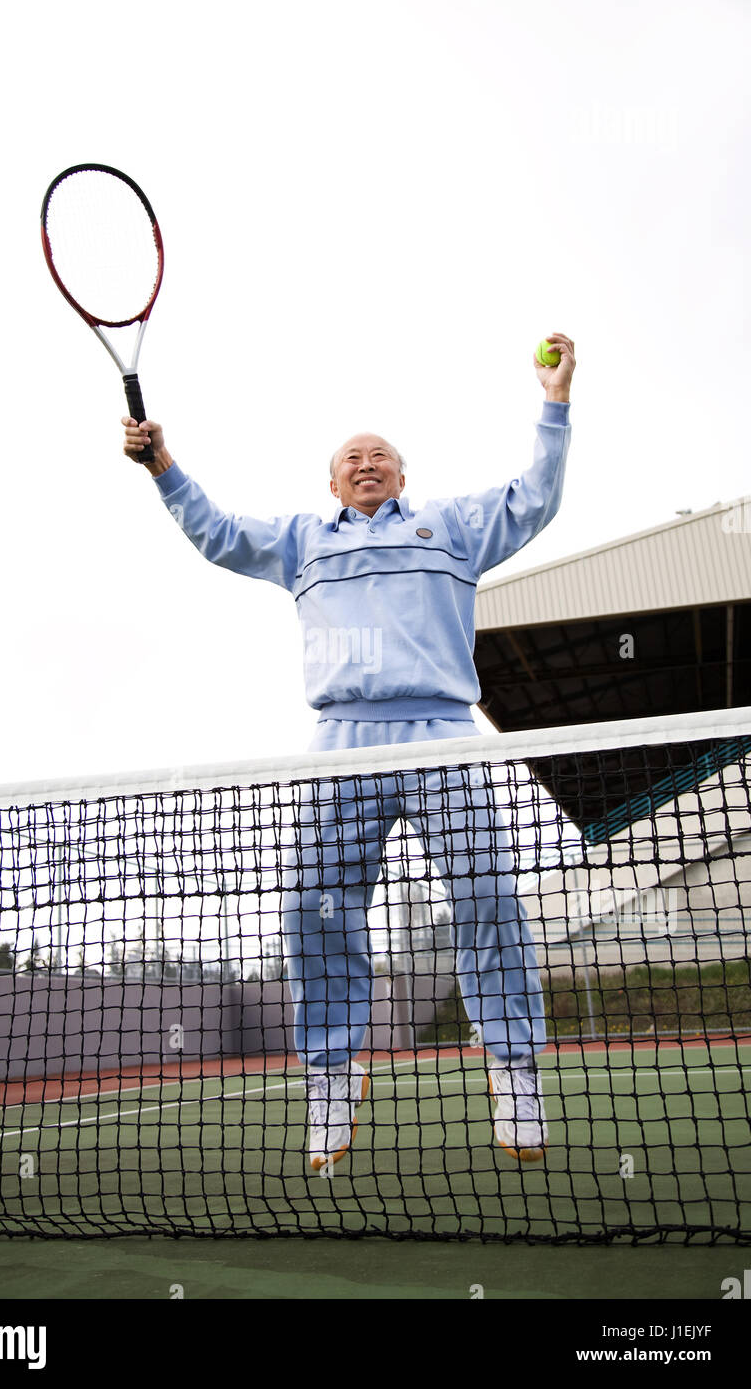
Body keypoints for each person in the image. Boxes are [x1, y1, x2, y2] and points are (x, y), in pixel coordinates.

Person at [122, 333, 575, 1171]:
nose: (366, 465)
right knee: (313, 912)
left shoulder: (456, 528)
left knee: (487, 897)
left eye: (381, 457)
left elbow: (535, 497)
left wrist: (555, 400)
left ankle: (515, 1072)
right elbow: (217, 533)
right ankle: (333, 1076)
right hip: (341, 744)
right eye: (351, 459)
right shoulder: (302, 539)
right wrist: (163, 468)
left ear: (402, 476)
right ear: (331, 483)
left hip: (442, 731)